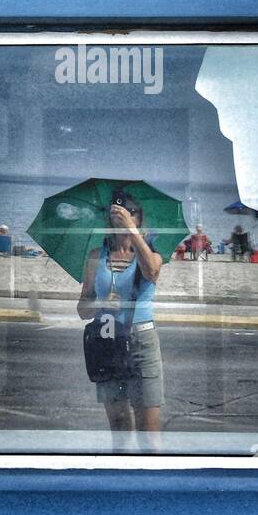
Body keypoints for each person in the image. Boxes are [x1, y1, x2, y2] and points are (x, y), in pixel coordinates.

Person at [77, 190, 164, 453]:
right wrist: (101, 305)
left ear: (139, 218)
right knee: (120, 427)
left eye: (131, 211)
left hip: (142, 341)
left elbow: (152, 271)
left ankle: (151, 485)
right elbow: (82, 309)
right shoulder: (96, 257)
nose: (124, 215)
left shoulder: (150, 253)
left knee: (149, 434)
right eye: (118, 210)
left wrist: (131, 231)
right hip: (108, 339)